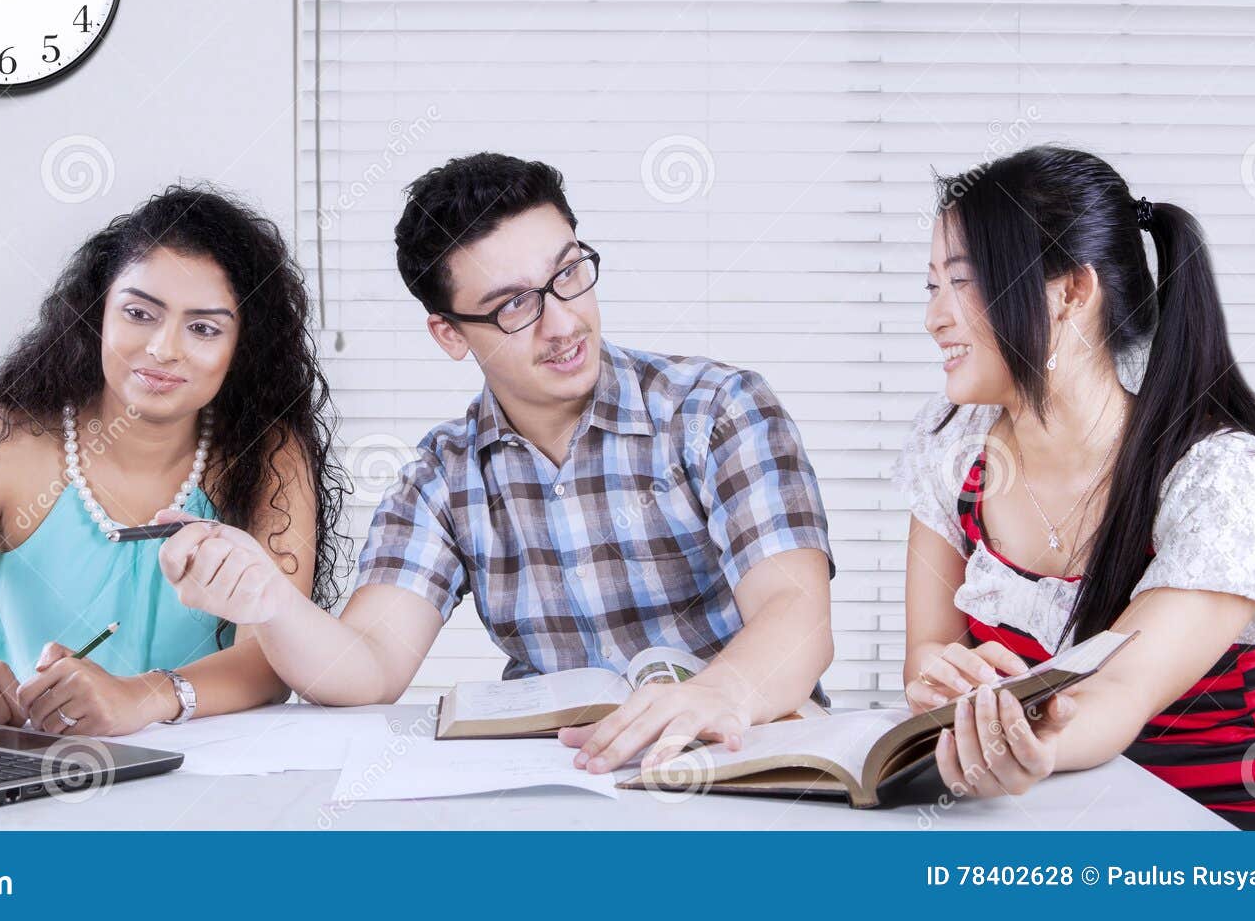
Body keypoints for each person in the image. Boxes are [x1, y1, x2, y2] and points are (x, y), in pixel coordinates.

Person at [158, 153, 834, 773]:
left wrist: (714, 697)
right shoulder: (443, 474)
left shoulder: (716, 408)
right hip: (566, 782)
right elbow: (367, 665)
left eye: (568, 274)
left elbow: (797, 612)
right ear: (450, 333)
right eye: (514, 304)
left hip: (738, 763)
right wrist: (269, 600)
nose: (563, 322)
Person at [896, 144, 1255, 830]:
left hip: (1234, 847)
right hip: (1060, 839)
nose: (935, 318)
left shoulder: (1220, 477)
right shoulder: (954, 446)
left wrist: (1033, 742)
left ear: (1071, 291)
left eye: (964, 282)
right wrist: (938, 678)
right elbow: (927, 649)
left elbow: (1120, 688)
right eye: (931, 286)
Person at [0, 184, 348, 735]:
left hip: (216, 781)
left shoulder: (268, 456)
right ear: (98, 313)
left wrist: (140, 698)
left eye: (204, 328)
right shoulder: (5, 442)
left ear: (243, 348)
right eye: (140, 313)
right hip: (37, 773)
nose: (163, 348)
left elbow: (273, 660)